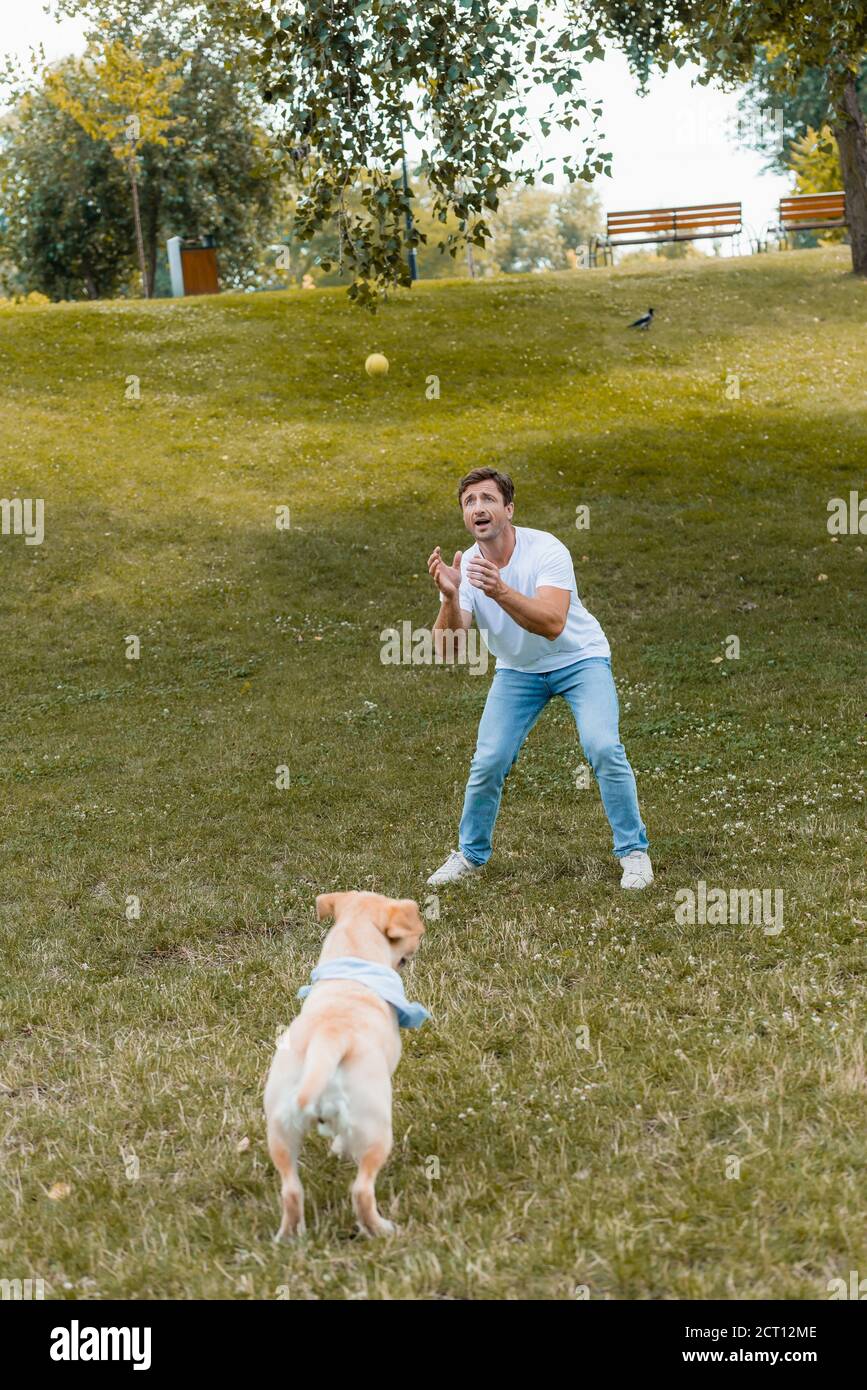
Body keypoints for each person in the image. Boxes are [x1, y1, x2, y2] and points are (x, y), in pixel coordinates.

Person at [426, 467, 652, 890]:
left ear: (508, 509)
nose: (479, 508)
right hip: (518, 671)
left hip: (578, 659)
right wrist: (451, 598)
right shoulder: (468, 567)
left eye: (488, 499)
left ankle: (634, 852)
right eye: (469, 502)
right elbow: (448, 650)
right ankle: (470, 856)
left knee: (603, 746)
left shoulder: (547, 549)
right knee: (489, 760)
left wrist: (498, 591)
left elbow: (551, 623)